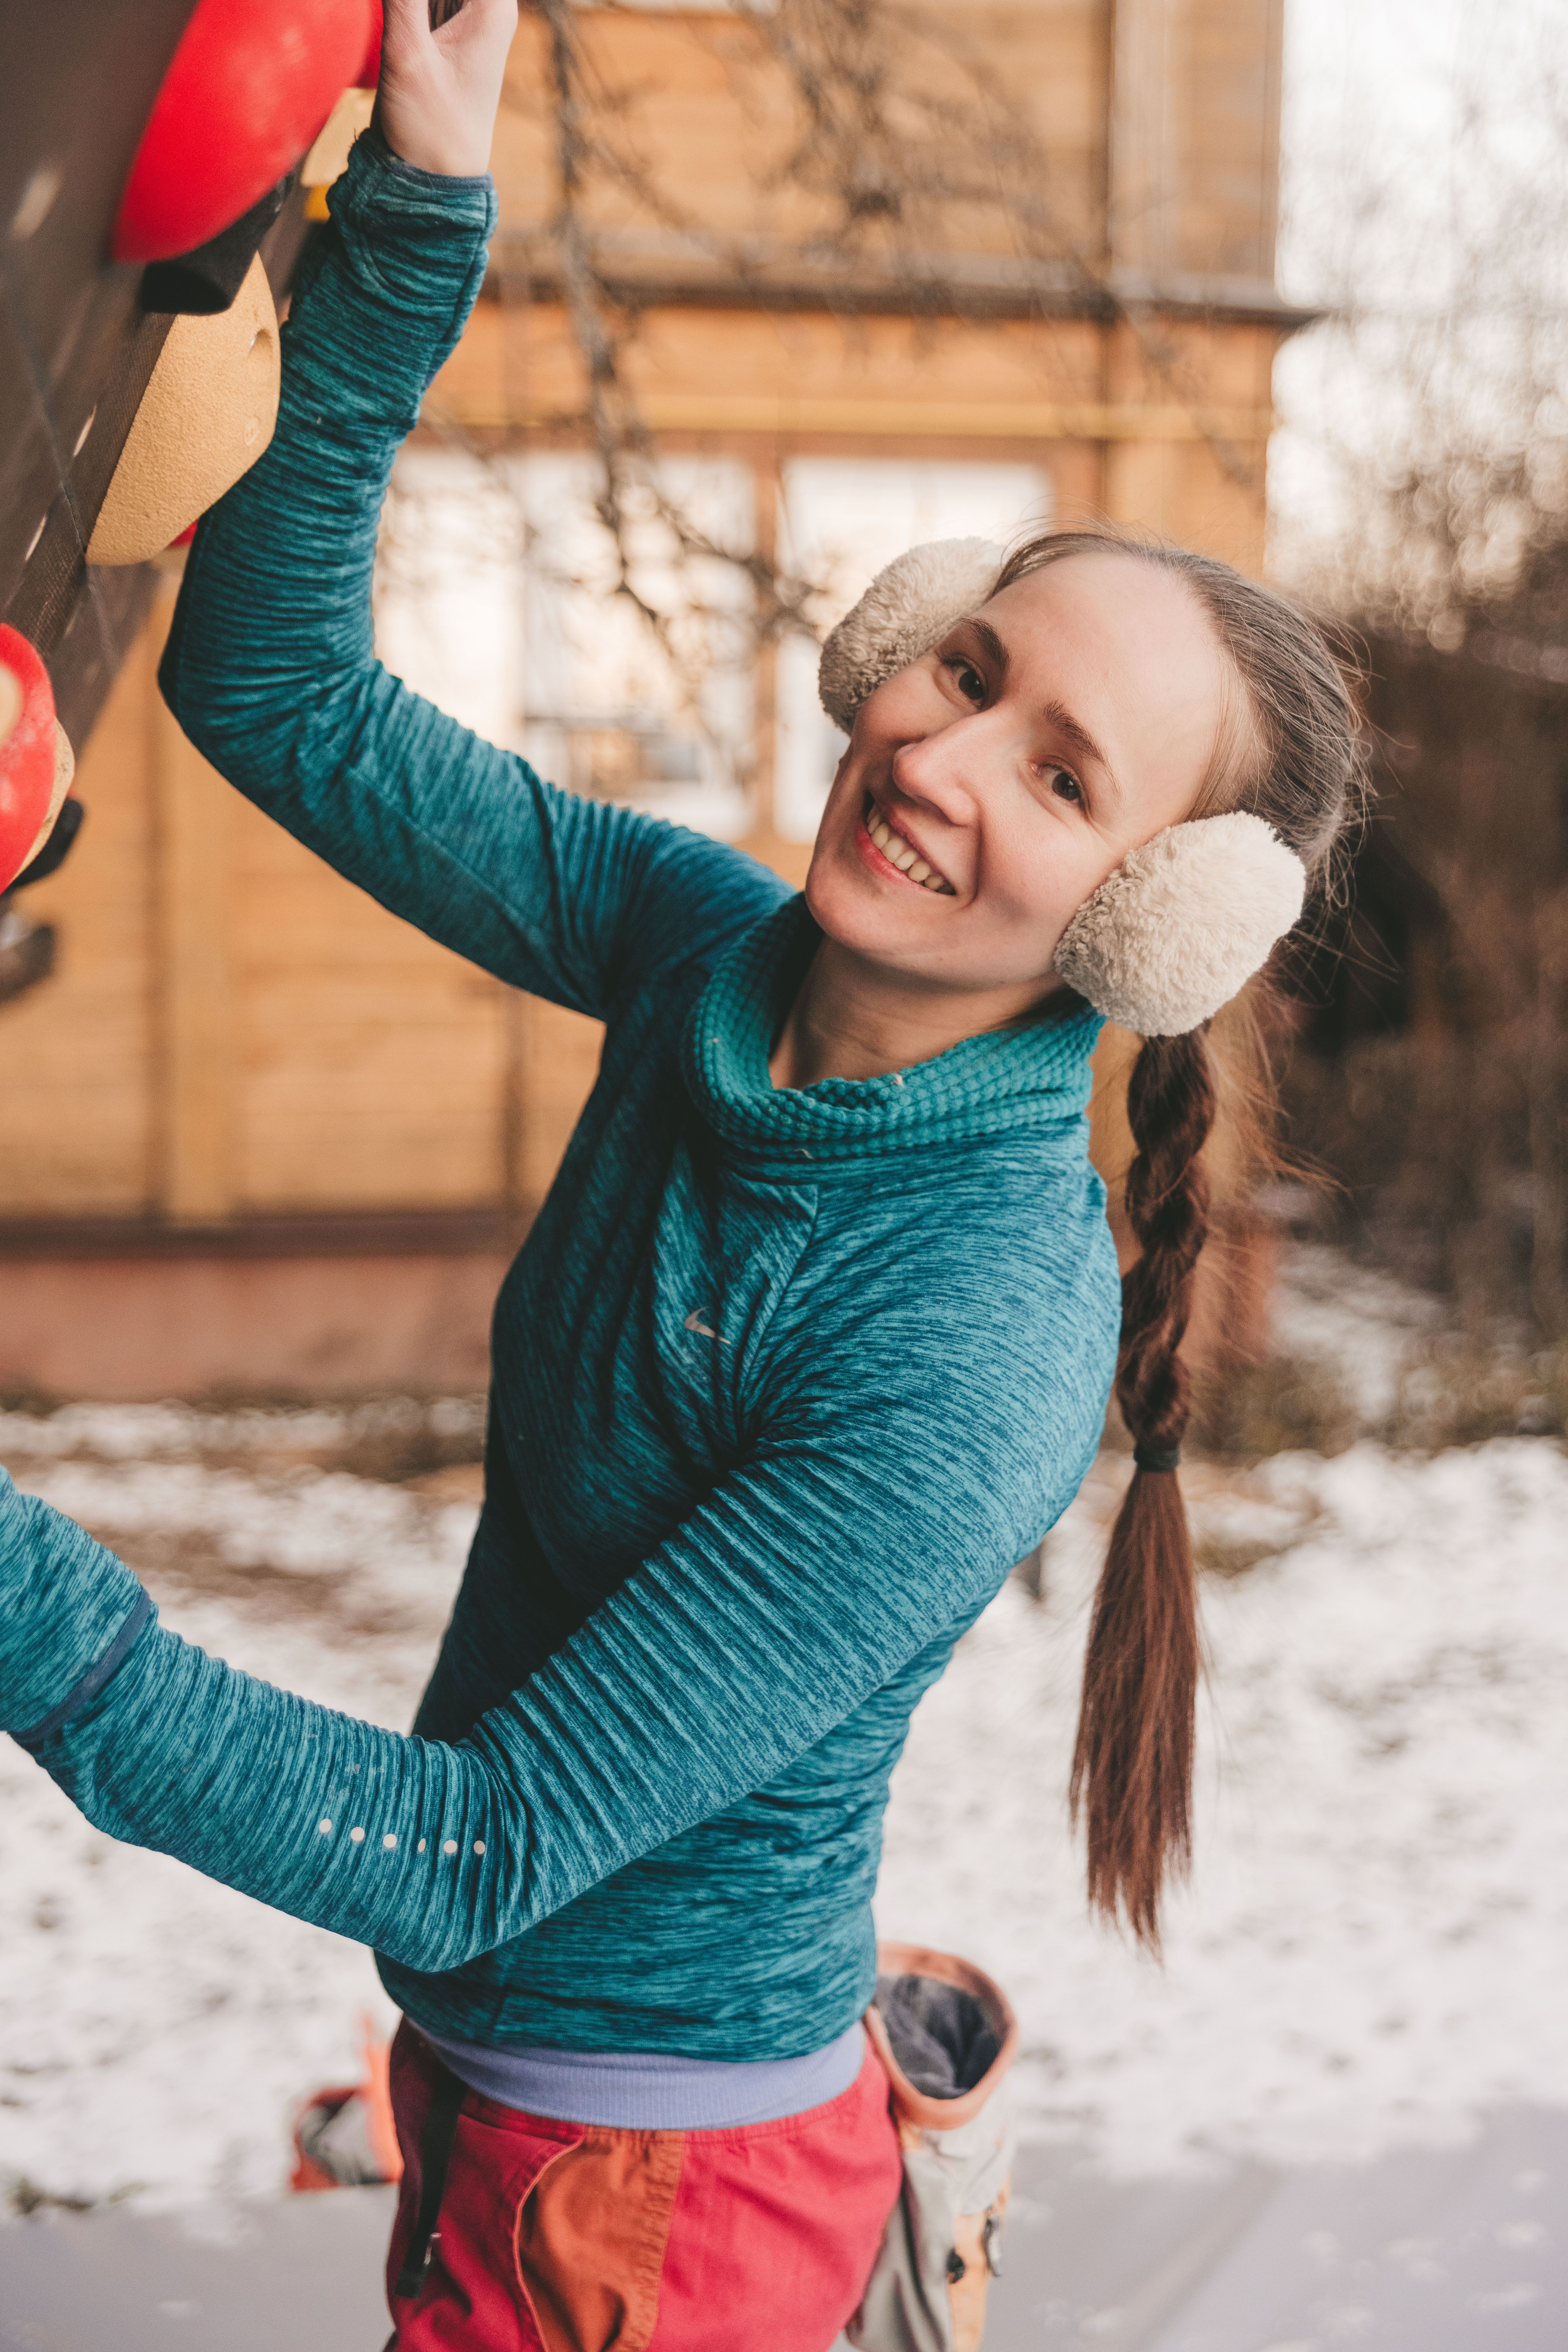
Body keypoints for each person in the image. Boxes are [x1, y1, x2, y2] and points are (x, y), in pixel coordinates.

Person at [0, 1, 1361, 2342]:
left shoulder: (971, 1337)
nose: (943, 762)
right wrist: (420, 219)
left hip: (645, 2200)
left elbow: (476, 1847)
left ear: (1150, 924)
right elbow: (281, 695)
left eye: (1065, 779)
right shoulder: (696, 952)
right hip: (520, 2100)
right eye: (968, 671)